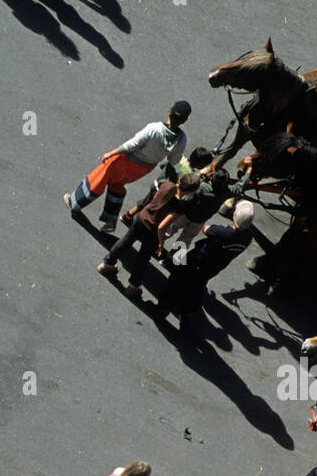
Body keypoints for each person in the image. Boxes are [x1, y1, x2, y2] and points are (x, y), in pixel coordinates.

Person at [64, 101, 191, 230]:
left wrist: (112, 152)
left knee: (98, 178)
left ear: (169, 112)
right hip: (144, 168)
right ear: (184, 120)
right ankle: (110, 220)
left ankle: (75, 202)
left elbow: (133, 144)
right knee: (117, 185)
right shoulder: (182, 139)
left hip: (126, 160)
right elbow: (174, 160)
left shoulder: (155, 128)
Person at [96, 172, 202, 299]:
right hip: (152, 231)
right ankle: (133, 286)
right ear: (191, 192)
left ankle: (107, 264)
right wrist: (161, 245)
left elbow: (154, 199)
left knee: (125, 241)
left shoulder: (166, 185)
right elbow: (162, 227)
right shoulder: (180, 207)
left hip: (141, 218)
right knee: (143, 258)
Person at [156, 198, 256, 322]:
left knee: (177, 283)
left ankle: (162, 310)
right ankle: (185, 312)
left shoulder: (222, 232)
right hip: (212, 268)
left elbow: (206, 229)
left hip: (196, 260)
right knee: (196, 287)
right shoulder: (247, 237)